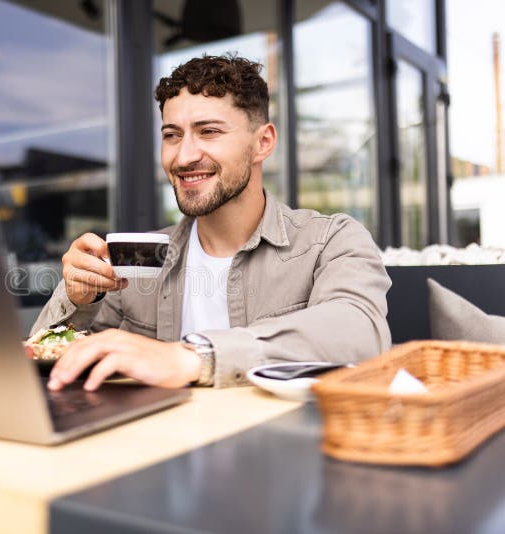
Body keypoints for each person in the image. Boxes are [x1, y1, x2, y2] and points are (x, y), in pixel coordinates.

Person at [33, 53, 391, 392]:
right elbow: (49, 364)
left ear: (263, 142)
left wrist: (193, 358)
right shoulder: (138, 256)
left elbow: (360, 333)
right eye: (172, 135)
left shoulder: (330, 240)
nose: (184, 156)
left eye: (208, 132)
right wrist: (79, 298)